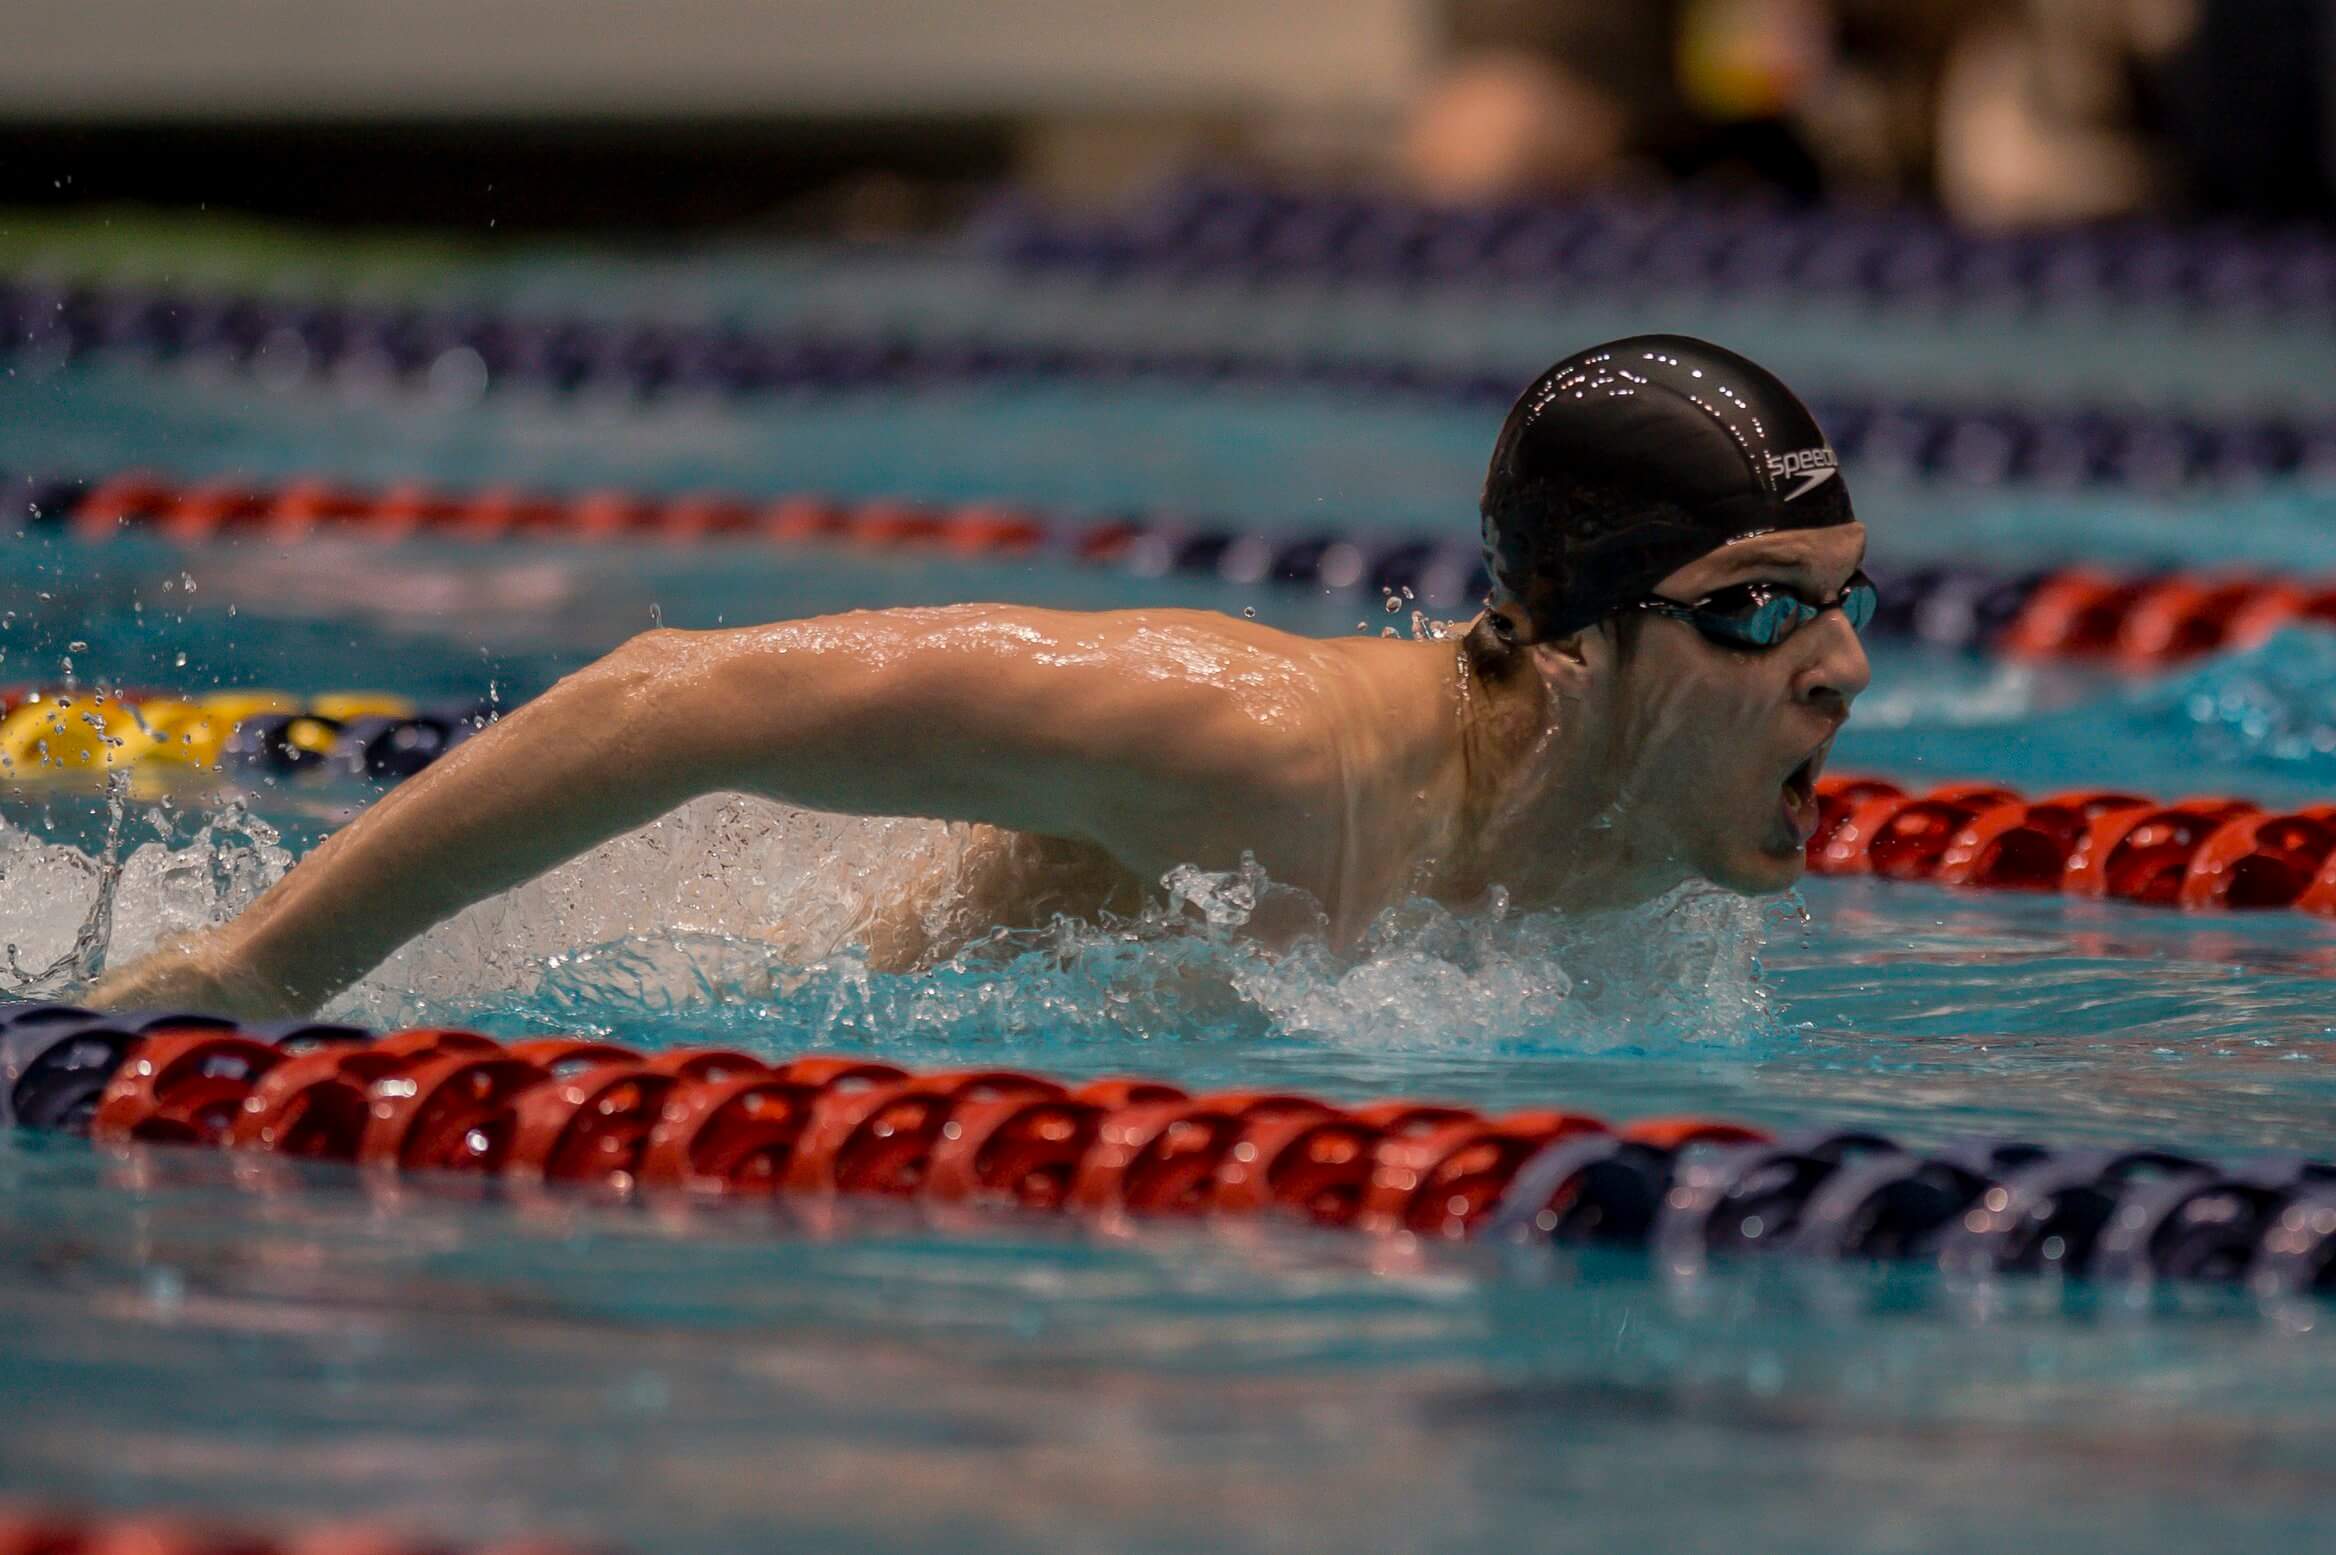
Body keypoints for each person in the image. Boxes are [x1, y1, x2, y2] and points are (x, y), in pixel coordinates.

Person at [89, 334, 1873, 1019]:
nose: (1840, 670)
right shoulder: (1251, 750)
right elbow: (675, 692)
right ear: (1575, 652)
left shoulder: (1643, 857)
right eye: (1758, 608)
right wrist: (248, 974)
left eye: (1848, 602)